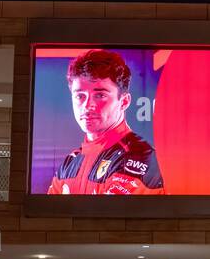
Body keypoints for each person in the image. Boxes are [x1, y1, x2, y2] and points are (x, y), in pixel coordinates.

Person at [46, 49, 165, 195]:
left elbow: (109, 217)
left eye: (100, 95)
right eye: (80, 96)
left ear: (124, 101)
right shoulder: (70, 163)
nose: (87, 105)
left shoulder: (139, 157)